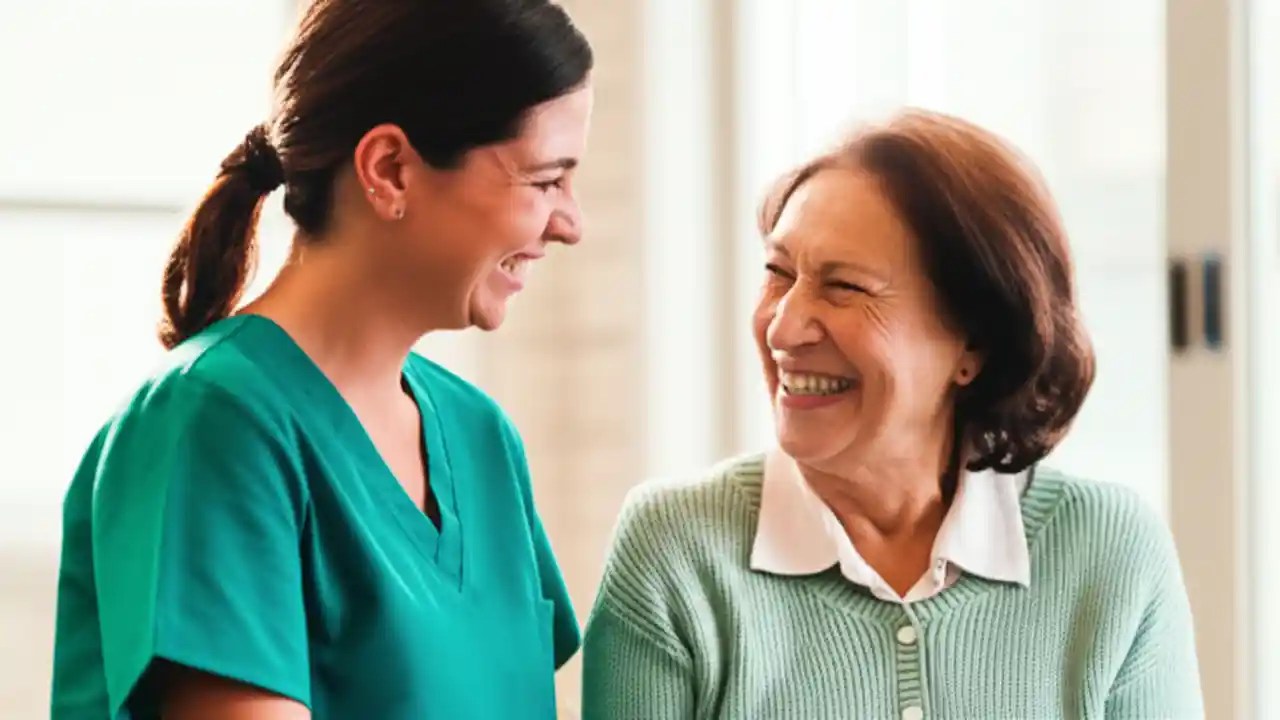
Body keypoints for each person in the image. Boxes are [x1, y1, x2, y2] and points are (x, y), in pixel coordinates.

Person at [50, 1, 593, 718]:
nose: (572, 223)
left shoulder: (481, 438)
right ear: (391, 168)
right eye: (545, 181)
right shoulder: (214, 421)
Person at [581, 110, 1202, 719]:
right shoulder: (673, 552)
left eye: (843, 287)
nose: (784, 326)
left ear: (973, 343)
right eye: (778, 273)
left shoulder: (1112, 554)